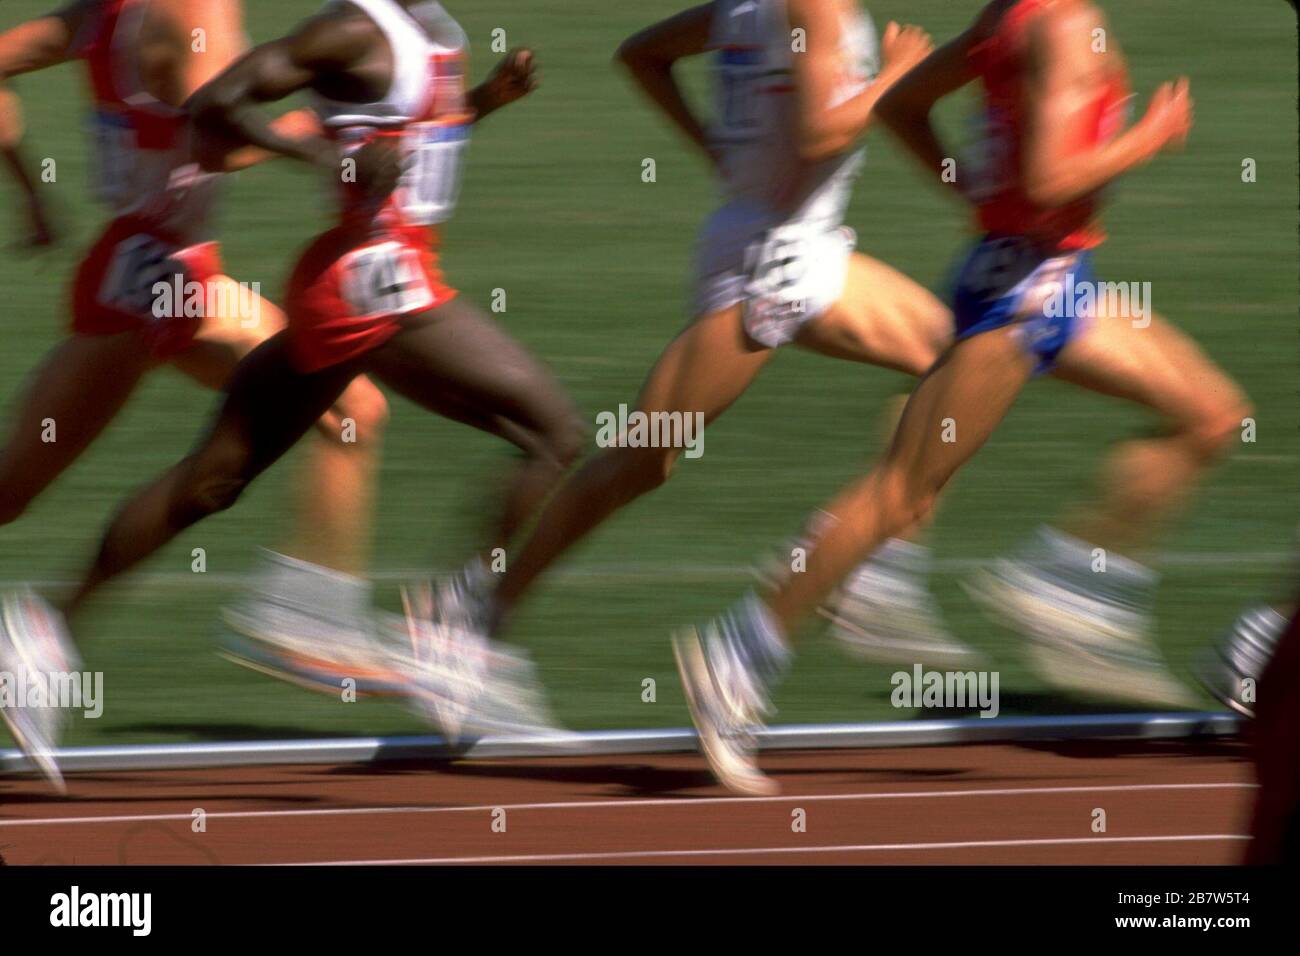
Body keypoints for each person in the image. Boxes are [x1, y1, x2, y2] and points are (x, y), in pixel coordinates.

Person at [675, 0, 1251, 794]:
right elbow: (1048, 178)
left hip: (1053, 278)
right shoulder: (1057, 25)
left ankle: (1068, 583)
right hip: (1022, 295)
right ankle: (740, 654)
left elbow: (907, 104)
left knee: (1212, 413)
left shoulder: (1010, 16)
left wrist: (973, 193)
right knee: (900, 491)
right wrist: (1145, 138)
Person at [436, 0, 986, 695]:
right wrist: (899, 75)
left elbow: (641, 52)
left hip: (807, 251)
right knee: (645, 456)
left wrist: (715, 146)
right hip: (771, 265)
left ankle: (865, 562)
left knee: (952, 354)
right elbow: (820, 134)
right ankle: (480, 614)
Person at [0, 0, 388, 791]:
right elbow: (220, 139)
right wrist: (329, 129)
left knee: (350, 410)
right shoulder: (194, 8)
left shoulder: (103, 12)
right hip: (155, 279)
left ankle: (45, 640)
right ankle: (306, 617)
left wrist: (28, 190)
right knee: (348, 408)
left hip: (157, 275)